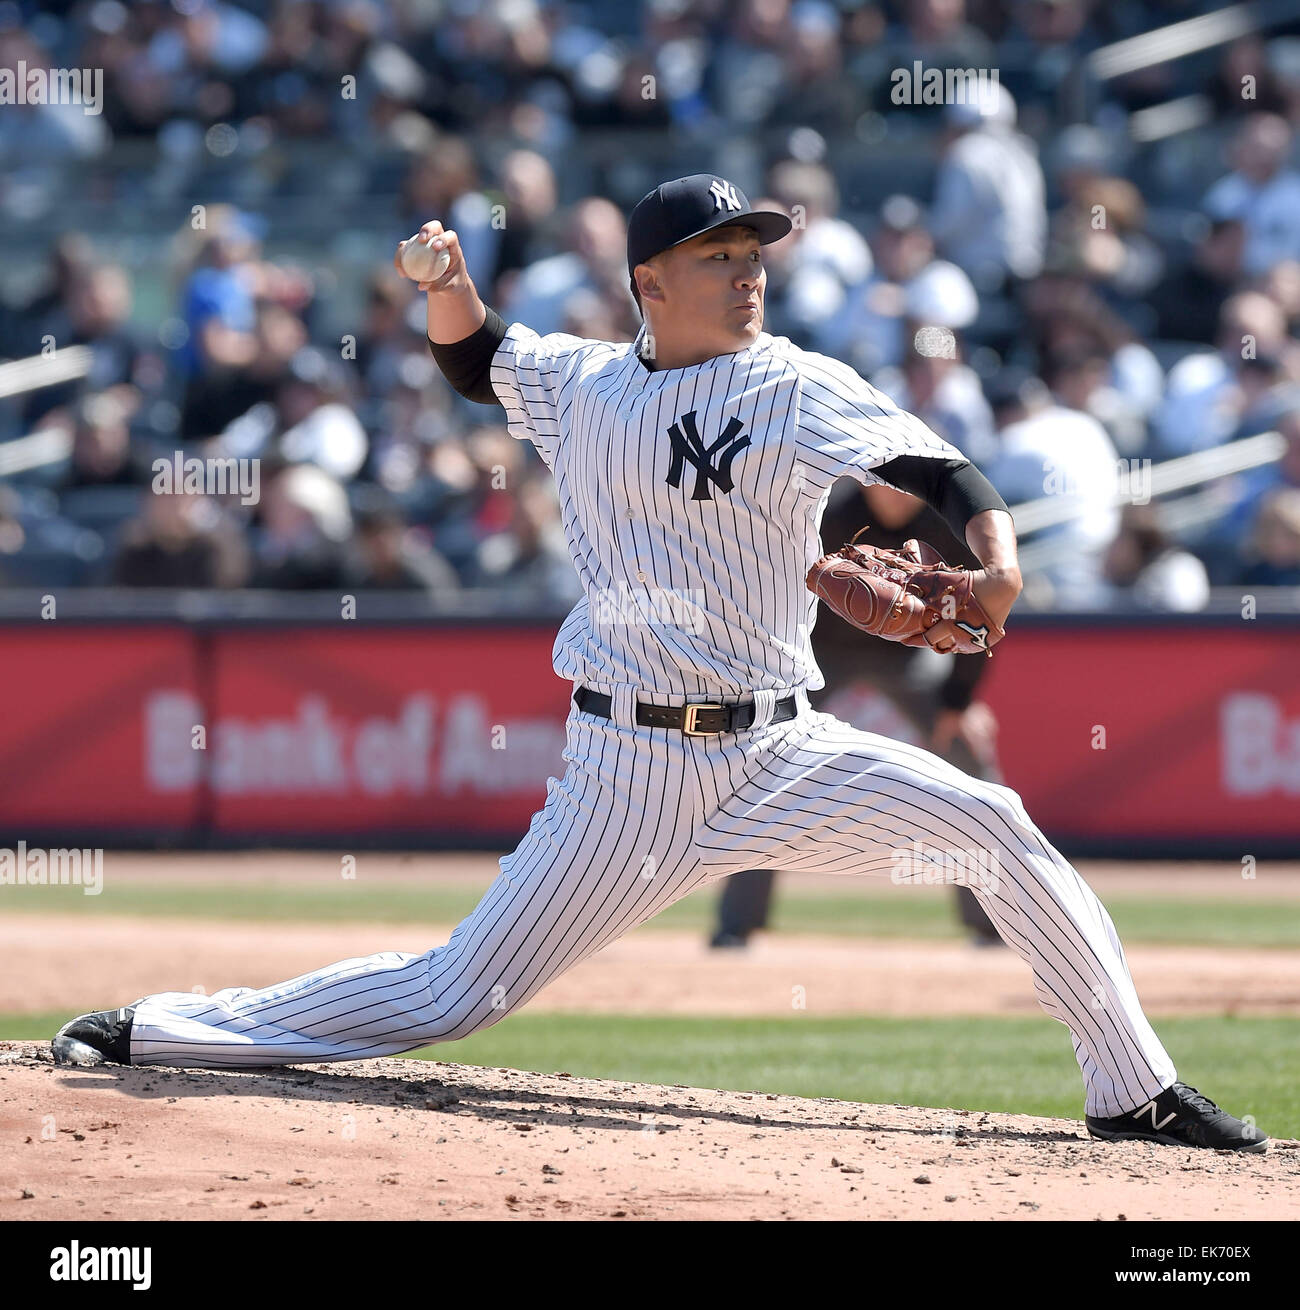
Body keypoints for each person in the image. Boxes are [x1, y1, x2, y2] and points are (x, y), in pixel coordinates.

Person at [53, 174, 1267, 1154]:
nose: (747, 274)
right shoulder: (581, 382)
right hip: (622, 772)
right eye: (719, 257)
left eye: (755, 256)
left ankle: (1133, 1088)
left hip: (783, 746)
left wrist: (995, 563)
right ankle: (159, 1028)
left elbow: (941, 474)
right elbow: (477, 362)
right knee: (449, 995)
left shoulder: (791, 381)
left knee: (996, 825)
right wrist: (448, 286)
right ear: (650, 282)